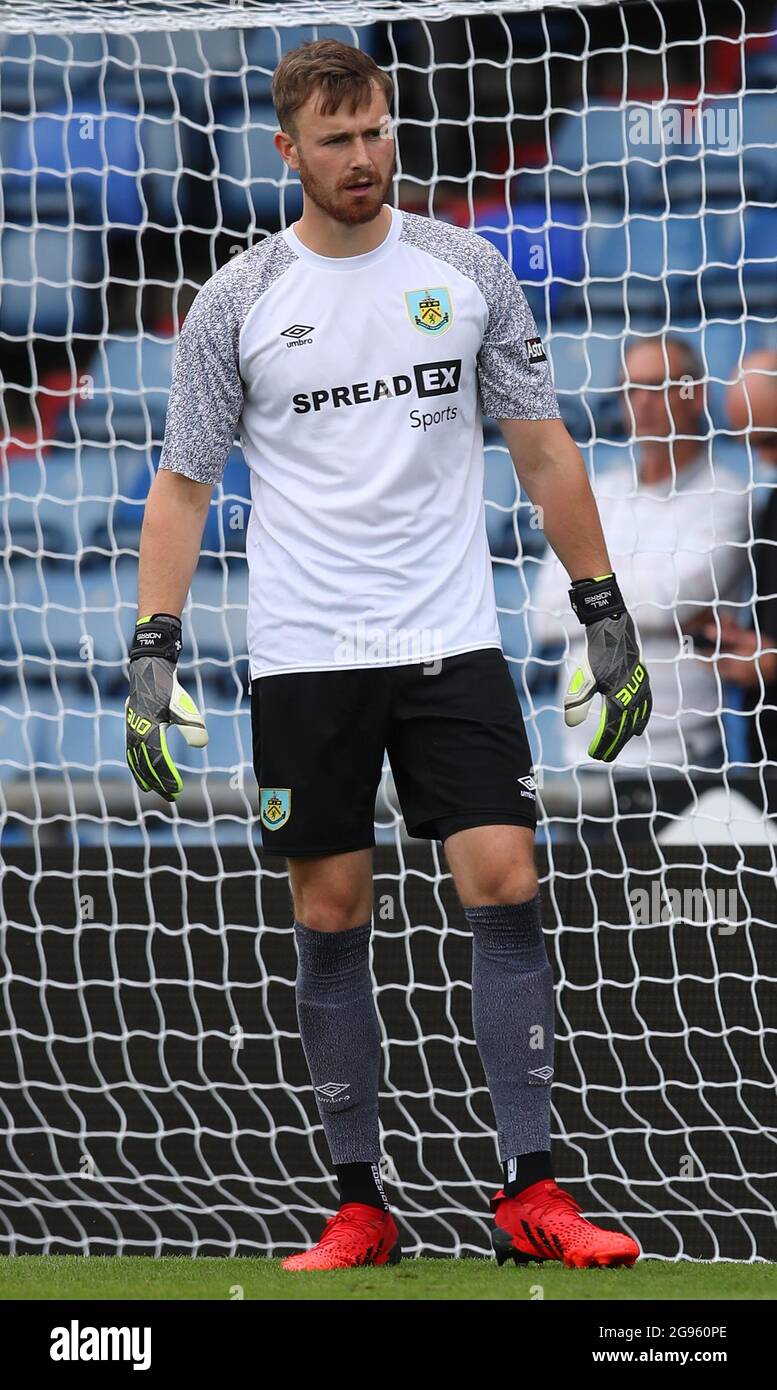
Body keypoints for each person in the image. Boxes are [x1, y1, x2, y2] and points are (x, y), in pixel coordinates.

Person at [124, 40, 650, 1272]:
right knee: (331, 908)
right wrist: (154, 651)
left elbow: (542, 447)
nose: (364, 158)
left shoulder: (464, 269)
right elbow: (183, 487)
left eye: (378, 132)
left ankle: (533, 1187)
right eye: (338, 139)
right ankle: (359, 1202)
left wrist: (605, 611)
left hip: (449, 638)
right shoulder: (237, 299)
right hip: (305, 652)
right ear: (287, 151)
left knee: (508, 878)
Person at [533, 335, 750, 771]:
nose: (644, 402)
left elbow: (673, 599)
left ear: (695, 393)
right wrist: (649, 603)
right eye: (632, 389)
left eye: (660, 386)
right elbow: (541, 613)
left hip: (681, 753)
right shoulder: (600, 493)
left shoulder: (728, 494)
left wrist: (595, 589)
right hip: (583, 756)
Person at [699, 350, 777, 765]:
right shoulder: (770, 506)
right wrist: (745, 640)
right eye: (751, 443)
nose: (764, 458)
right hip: (766, 752)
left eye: (770, 440)